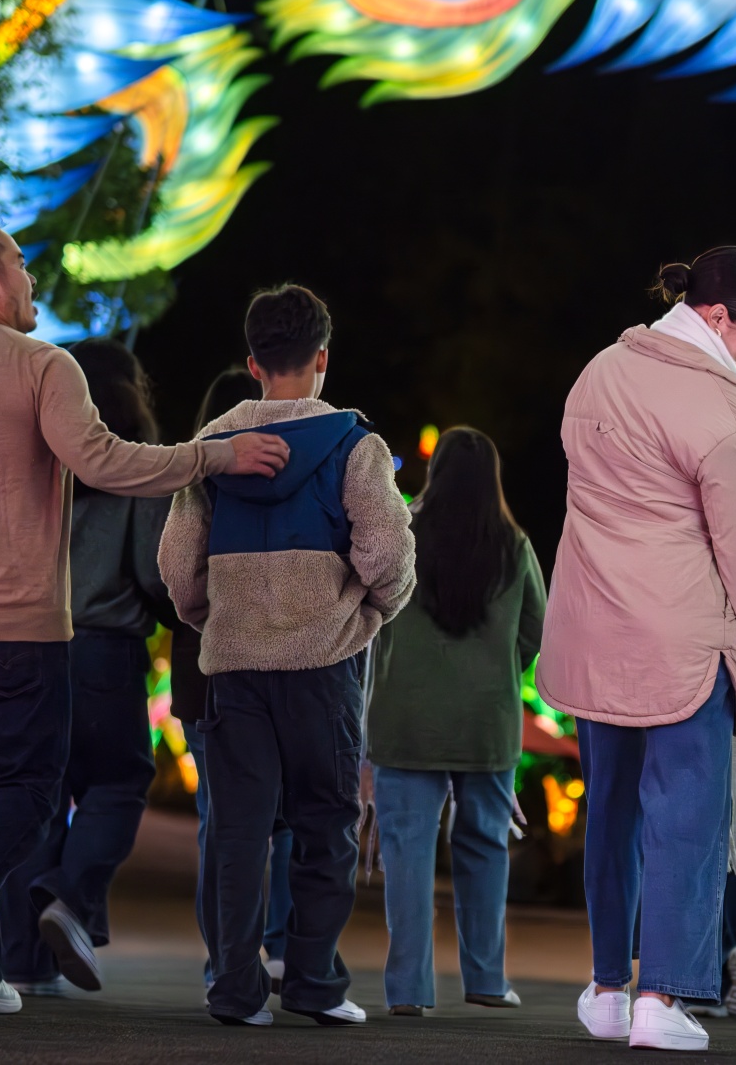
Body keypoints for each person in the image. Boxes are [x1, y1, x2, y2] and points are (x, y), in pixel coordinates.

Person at [0, 215, 289, 1019]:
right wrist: (214, 454)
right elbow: (104, 460)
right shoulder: (43, 365)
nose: (31, 276)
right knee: (33, 789)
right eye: (18, 261)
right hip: (17, 623)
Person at [539, 247, 736, 1052]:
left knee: (610, 810)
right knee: (686, 816)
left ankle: (609, 987)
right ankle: (664, 995)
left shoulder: (598, 371)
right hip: (679, 638)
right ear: (717, 317)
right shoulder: (726, 405)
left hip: (591, 626)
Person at [160, 283, 414, 1028]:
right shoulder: (355, 445)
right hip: (323, 668)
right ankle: (313, 982)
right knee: (327, 827)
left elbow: (177, 564)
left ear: (252, 363)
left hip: (234, 668)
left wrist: (214, 617)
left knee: (237, 831)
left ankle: (235, 990)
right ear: (323, 358)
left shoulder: (215, 446)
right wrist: (370, 611)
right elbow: (387, 554)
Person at [0, 338, 181, 997]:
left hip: (25, 646)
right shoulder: (135, 464)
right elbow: (154, 573)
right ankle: (71, 897)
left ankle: (24, 961)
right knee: (120, 781)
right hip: (103, 648)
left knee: (37, 794)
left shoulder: (30, 455)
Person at [367, 426, 545, 1017]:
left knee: (408, 854)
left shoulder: (401, 535)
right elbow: (535, 630)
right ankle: (487, 979)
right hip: (487, 723)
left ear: (435, 471)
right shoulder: (513, 545)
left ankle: (408, 990)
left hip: (405, 720)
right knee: (485, 846)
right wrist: (496, 670)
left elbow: (371, 616)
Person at [171, 367, 294, 987]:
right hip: (267, 666)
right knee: (275, 819)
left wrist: (202, 618)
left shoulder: (193, 481)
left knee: (218, 821)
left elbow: (175, 575)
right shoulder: (275, 479)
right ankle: (271, 946)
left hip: (200, 675)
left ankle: (223, 956)